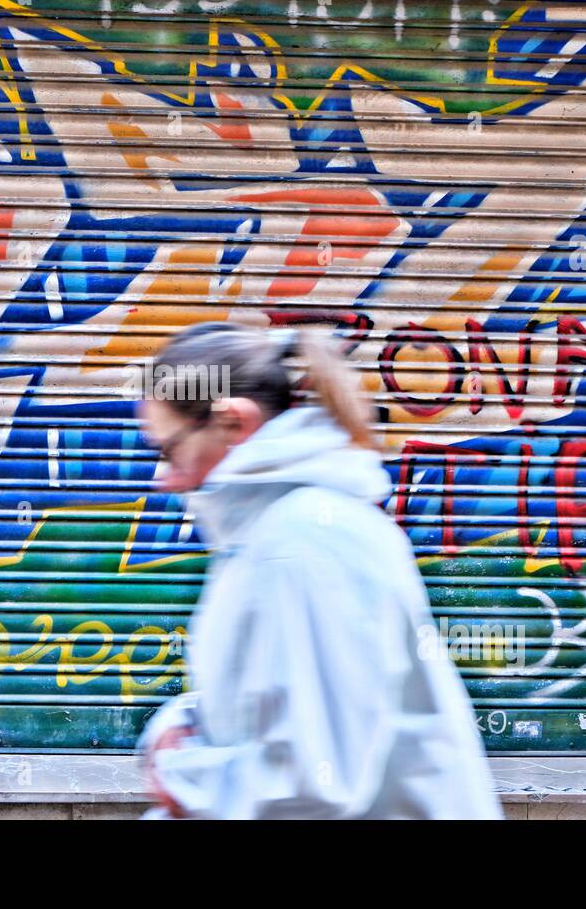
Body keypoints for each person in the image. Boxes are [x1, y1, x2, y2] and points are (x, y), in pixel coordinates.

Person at [135, 322, 501, 819]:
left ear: (233, 423)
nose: (162, 478)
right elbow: (264, 702)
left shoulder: (307, 540)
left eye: (168, 449)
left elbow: (316, 780)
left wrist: (182, 774)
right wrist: (183, 725)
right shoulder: (268, 533)